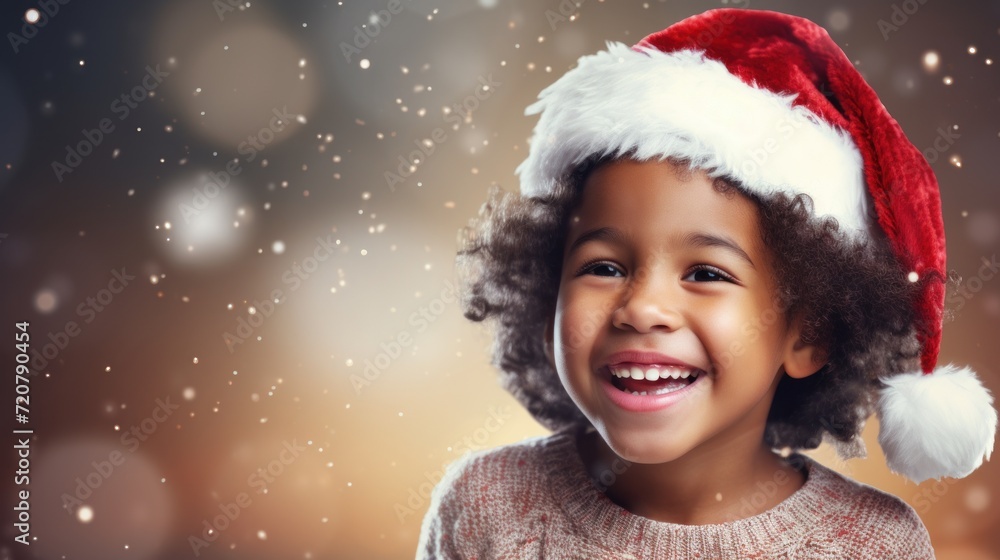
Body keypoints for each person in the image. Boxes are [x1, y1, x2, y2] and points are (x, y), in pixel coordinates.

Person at [416, 8, 997, 559]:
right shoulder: (487, 505)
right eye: (604, 267)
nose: (641, 307)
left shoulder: (872, 545)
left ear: (808, 333)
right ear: (548, 296)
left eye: (705, 273)